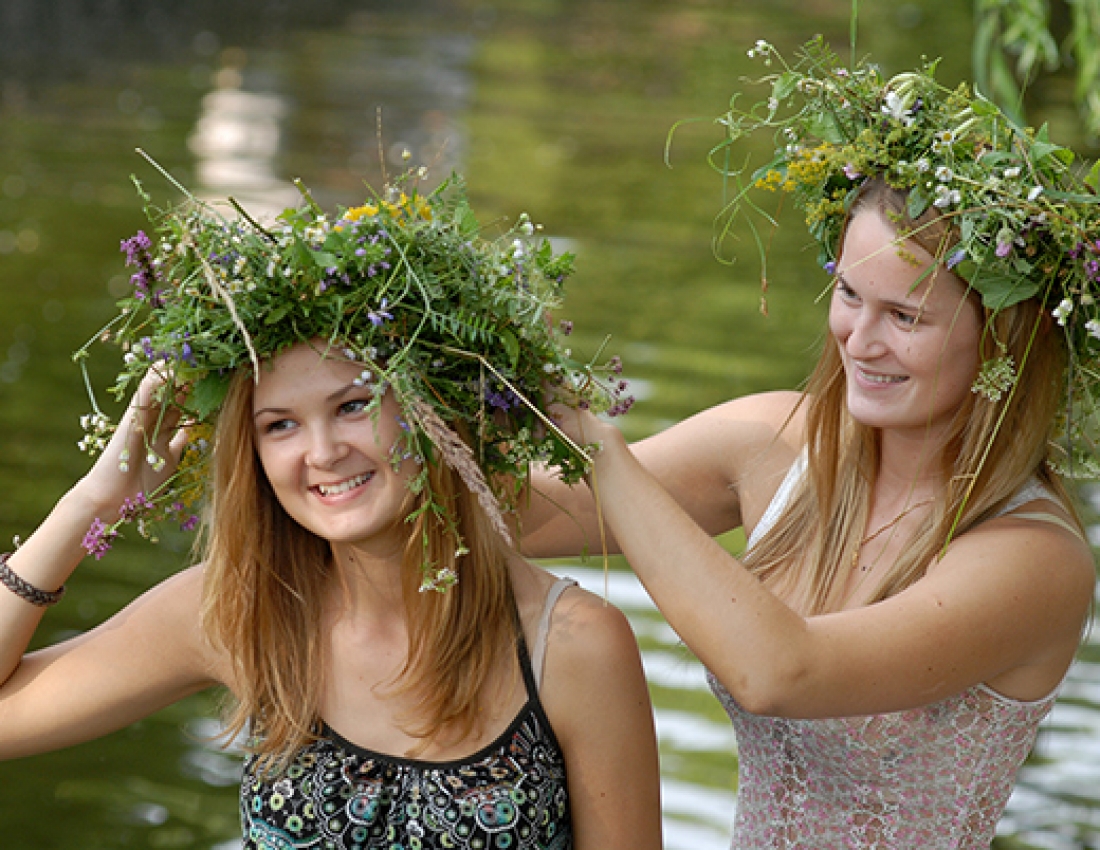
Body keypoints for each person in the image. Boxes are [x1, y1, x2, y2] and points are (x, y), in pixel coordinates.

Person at [521, 39, 1098, 849]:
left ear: (1002, 345)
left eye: (905, 318)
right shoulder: (775, 444)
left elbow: (779, 672)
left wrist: (603, 448)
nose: (860, 341)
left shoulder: (1033, 557)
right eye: (848, 294)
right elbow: (525, 520)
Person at [0, 171, 661, 849]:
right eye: (279, 425)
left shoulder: (574, 648)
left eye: (353, 406)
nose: (321, 452)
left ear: (435, 409)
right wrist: (94, 502)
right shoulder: (243, 612)